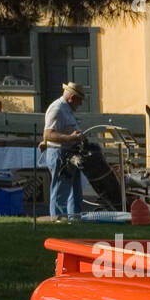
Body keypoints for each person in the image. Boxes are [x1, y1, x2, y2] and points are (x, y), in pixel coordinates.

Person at [42, 81, 86, 222]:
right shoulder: (57, 109)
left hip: (70, 155)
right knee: (60, 191)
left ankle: (74, 220)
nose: (80, 105)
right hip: (60, 155)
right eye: (79, 101)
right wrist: (71, 137)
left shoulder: (66, 109)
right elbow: (48, 134)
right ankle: (58, 221)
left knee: (75, 192)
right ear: (72, 98)